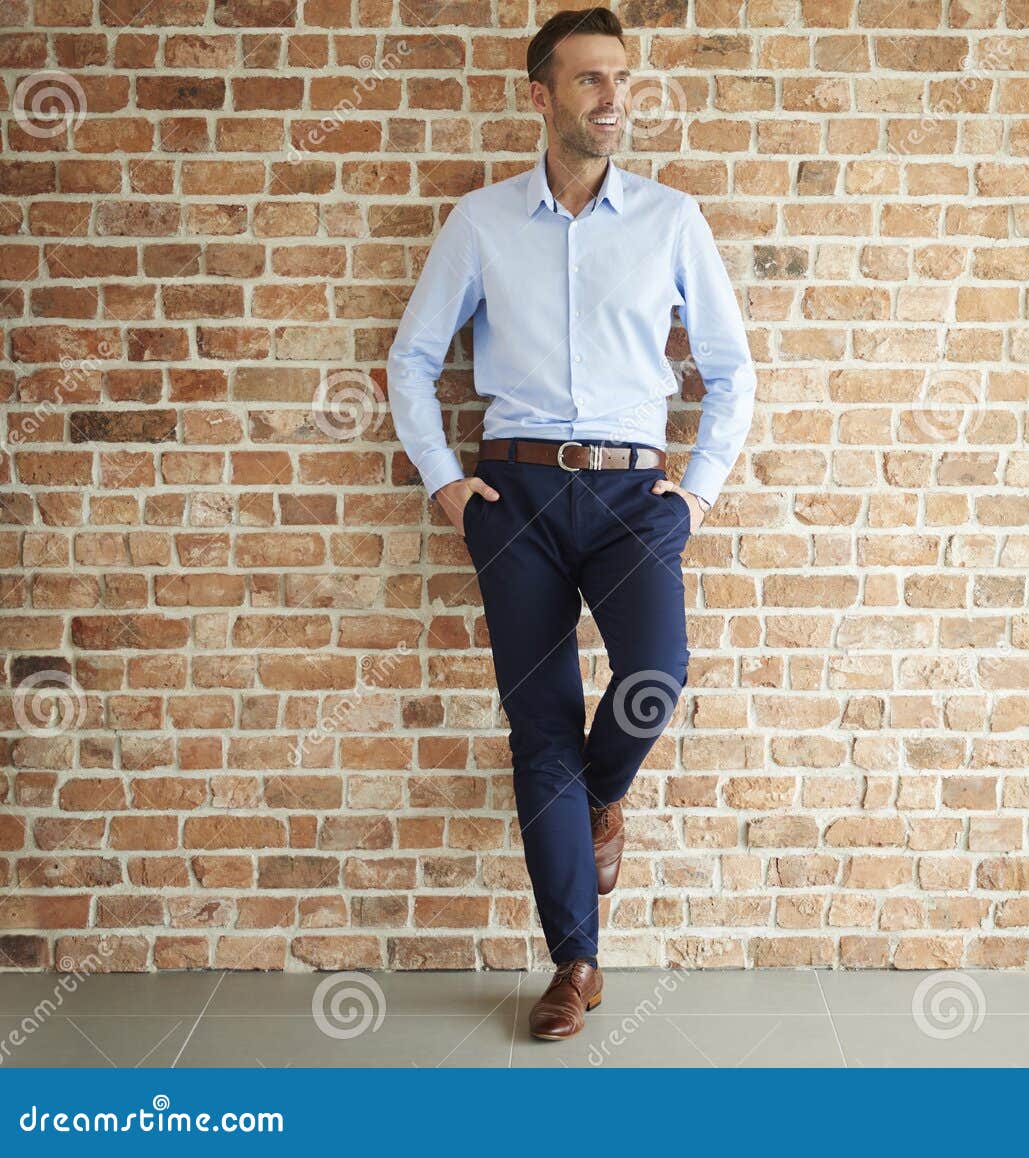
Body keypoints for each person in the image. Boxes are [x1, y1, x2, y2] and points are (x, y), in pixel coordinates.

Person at [384, 6, 756, 1041]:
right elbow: (412, 360)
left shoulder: (671, 220)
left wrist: (698, 490)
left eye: (621, 78)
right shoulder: (480, 223)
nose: (612, 97)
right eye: (590, 79)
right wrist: (446, 483)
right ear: (541, 95)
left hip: (637, 496)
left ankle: (601, 793)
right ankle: (574, 964)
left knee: (655, 674)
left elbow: (731, 371)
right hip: (517, 498)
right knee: (540, 724)